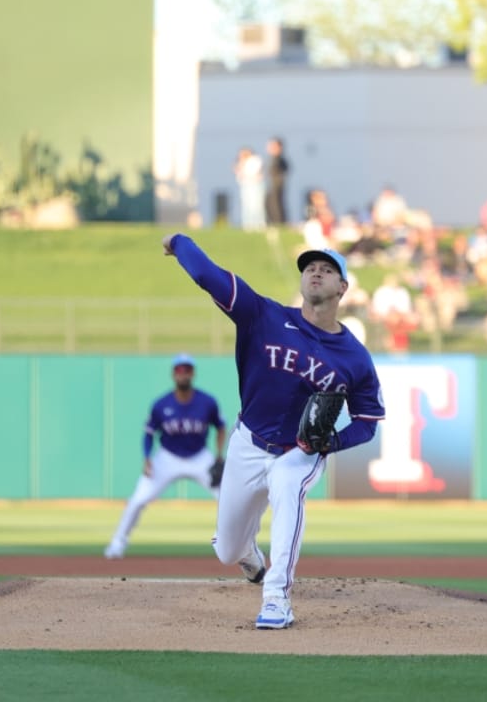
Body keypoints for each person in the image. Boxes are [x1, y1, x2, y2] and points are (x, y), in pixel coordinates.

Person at [162, 232, 386, 629]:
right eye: (310, 267)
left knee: (286, 483)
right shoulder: (263, 315)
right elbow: (206, 274)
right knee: (227, 550)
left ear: (342, 287)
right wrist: (178, 241)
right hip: (248, 442)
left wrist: (330, 443)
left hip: (298, 451)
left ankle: (277, 597)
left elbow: (368, 422)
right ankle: (248, 554)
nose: (316, 272)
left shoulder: (355, 357)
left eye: (327, 269)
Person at [104, 353, 227, 560]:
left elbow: (221, 427)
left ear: (193, 373)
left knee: (229, 499)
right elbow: (149, 434)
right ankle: (117, 543)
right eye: (179, 369)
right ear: (173, 374)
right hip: (167, 458)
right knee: (137, 500)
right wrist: (146, 458)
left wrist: (218, 456)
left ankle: (241, 547)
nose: (183, 373)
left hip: (199, 457)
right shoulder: (161, 405)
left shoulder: (207, 402)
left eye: (187, 369)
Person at [264, 137, 290, 227]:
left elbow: (282, 170)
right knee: (269, 204)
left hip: (276, 185)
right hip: (272, 185)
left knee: (276, 205)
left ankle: (279, 223)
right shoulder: (273, 159)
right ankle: (272, 223)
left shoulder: (280, 159)